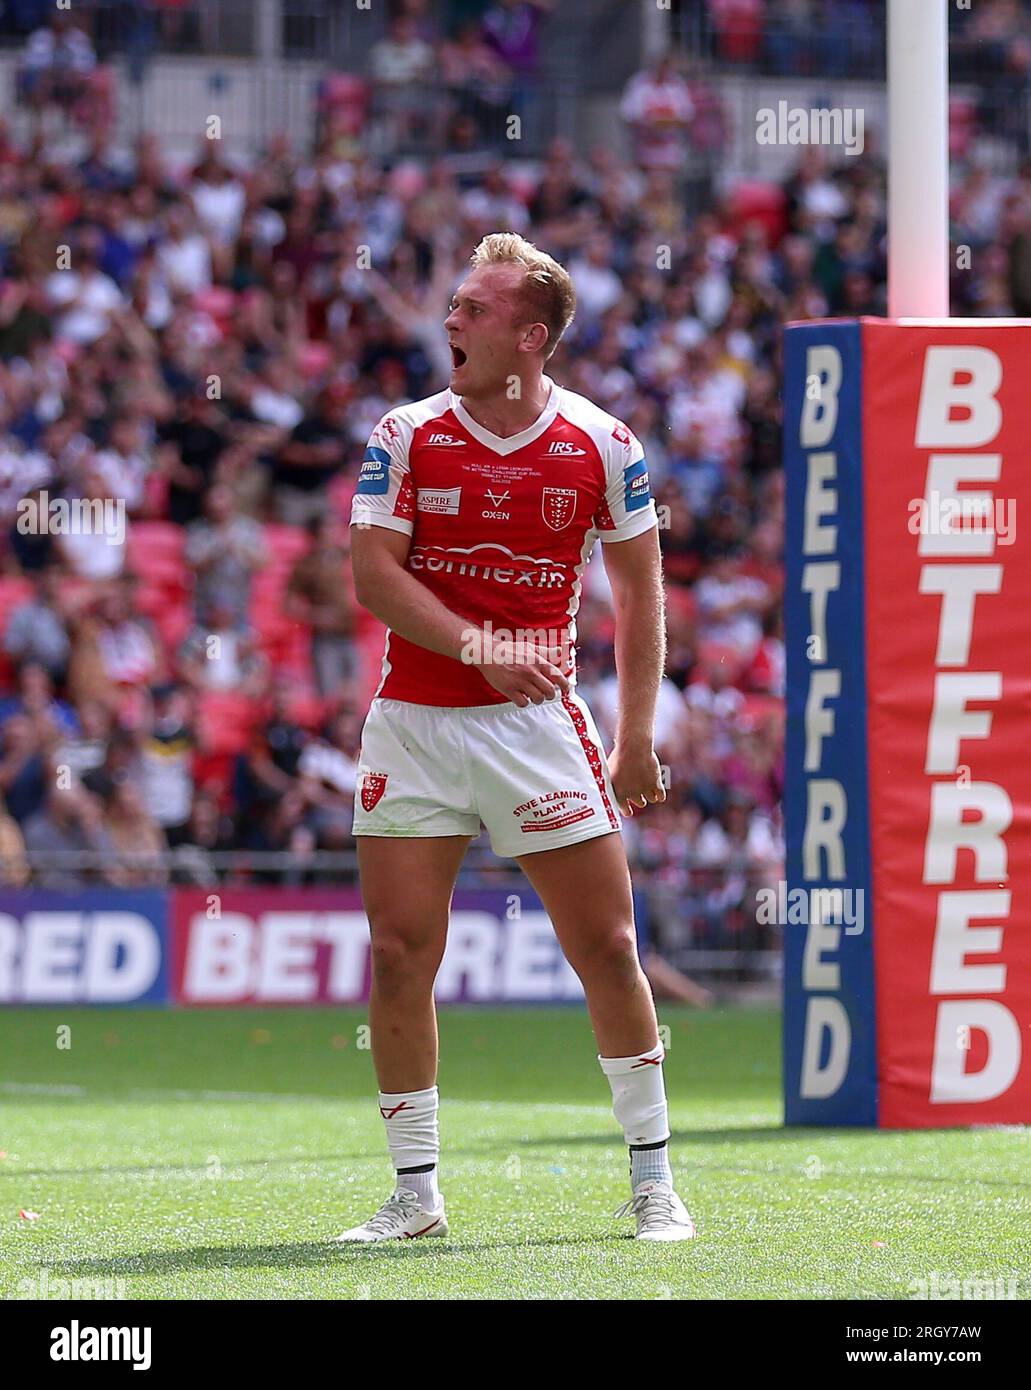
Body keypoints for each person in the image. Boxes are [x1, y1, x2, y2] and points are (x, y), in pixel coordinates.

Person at [339, 232, 695, 1244]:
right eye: (451, 305)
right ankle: (414, 1195)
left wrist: (635, 738)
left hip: (536, 728)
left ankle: (652, 1181)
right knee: (399, 954)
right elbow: (370, 575)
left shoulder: (604, 444)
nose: (449, 319)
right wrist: (478, 643)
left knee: (607, 947)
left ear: (529, 336)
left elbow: (639, 594)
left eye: (473, 308)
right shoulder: (405, 433)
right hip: (412, 725)